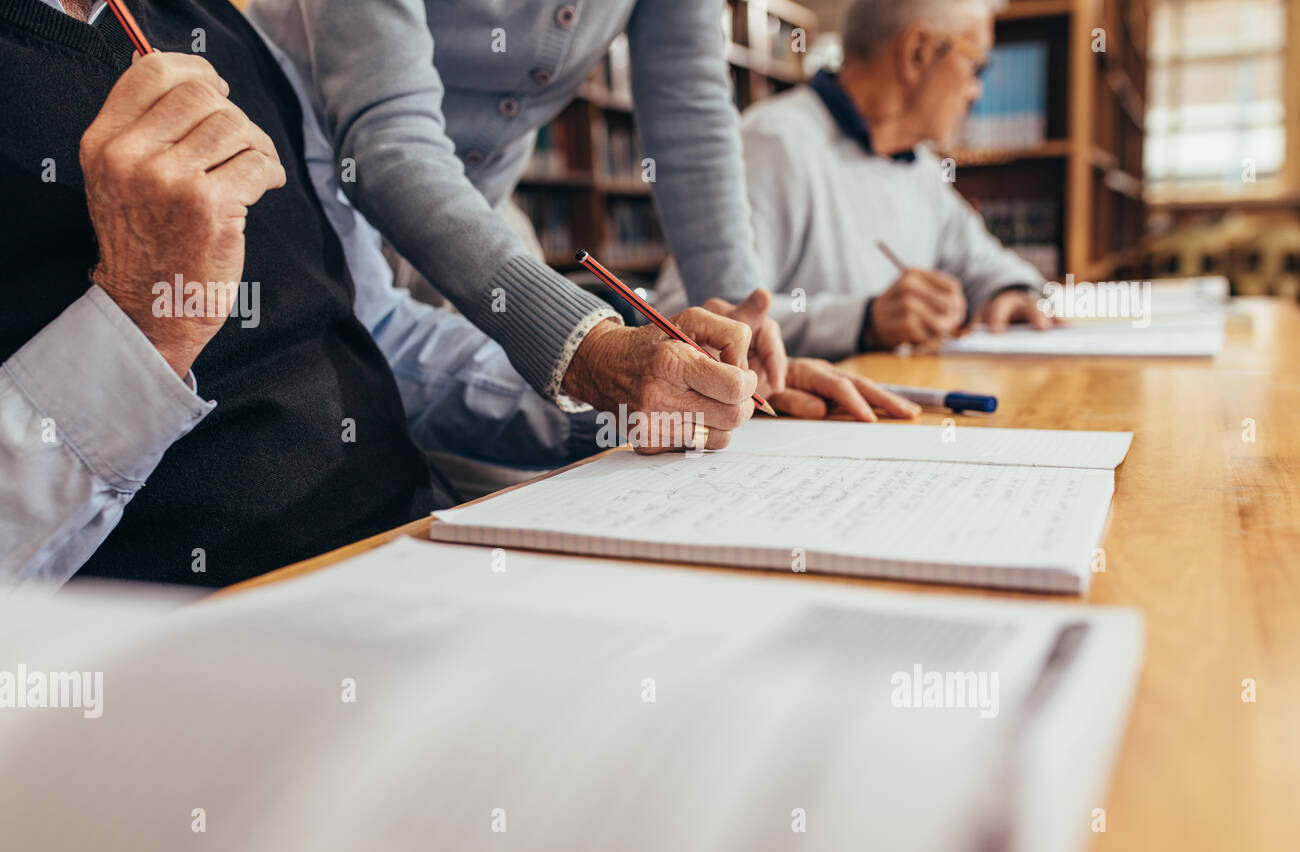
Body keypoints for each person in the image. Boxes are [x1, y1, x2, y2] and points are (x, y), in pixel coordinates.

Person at [0, 0, 688, 588]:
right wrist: (141, 315)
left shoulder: (221, 32)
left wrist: (617, 391)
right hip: (201, 651)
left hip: (422, 554)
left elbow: (373, 331)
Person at [250, 0, 920, 423]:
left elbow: (690, 120)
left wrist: (735, 341)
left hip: (473, 213)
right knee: (343, 418)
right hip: (298, 184)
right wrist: (585, 347)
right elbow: (389, 142)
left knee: (510, 417)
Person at [656, 0, 1060, 362]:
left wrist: (1011, 293)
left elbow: (986, 263)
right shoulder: (775, 143)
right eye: (977, 66)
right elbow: (687, 314)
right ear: (918, 52)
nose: (976, 92)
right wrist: (862, 320)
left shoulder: (917, 165)